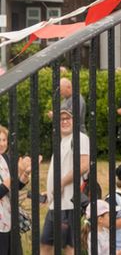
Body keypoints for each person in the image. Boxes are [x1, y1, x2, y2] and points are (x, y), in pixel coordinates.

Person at [41, 106, 91, 255]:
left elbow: (84, 165)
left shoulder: (80, 138)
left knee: (69, 248)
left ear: (74, 120)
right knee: (45, 244)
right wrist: (49, 193)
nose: (64, 122)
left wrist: (61, 183)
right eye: (60, 119)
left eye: (67, 118)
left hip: (69, 203)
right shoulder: (62, 140)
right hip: (56, 203)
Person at [0, 125, 33, 255]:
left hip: (10, 221)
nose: (2, 144)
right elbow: (6, 186)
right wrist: (10, 180)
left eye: (4, 140)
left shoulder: (5, 159)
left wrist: (24, 174)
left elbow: (13, 188)